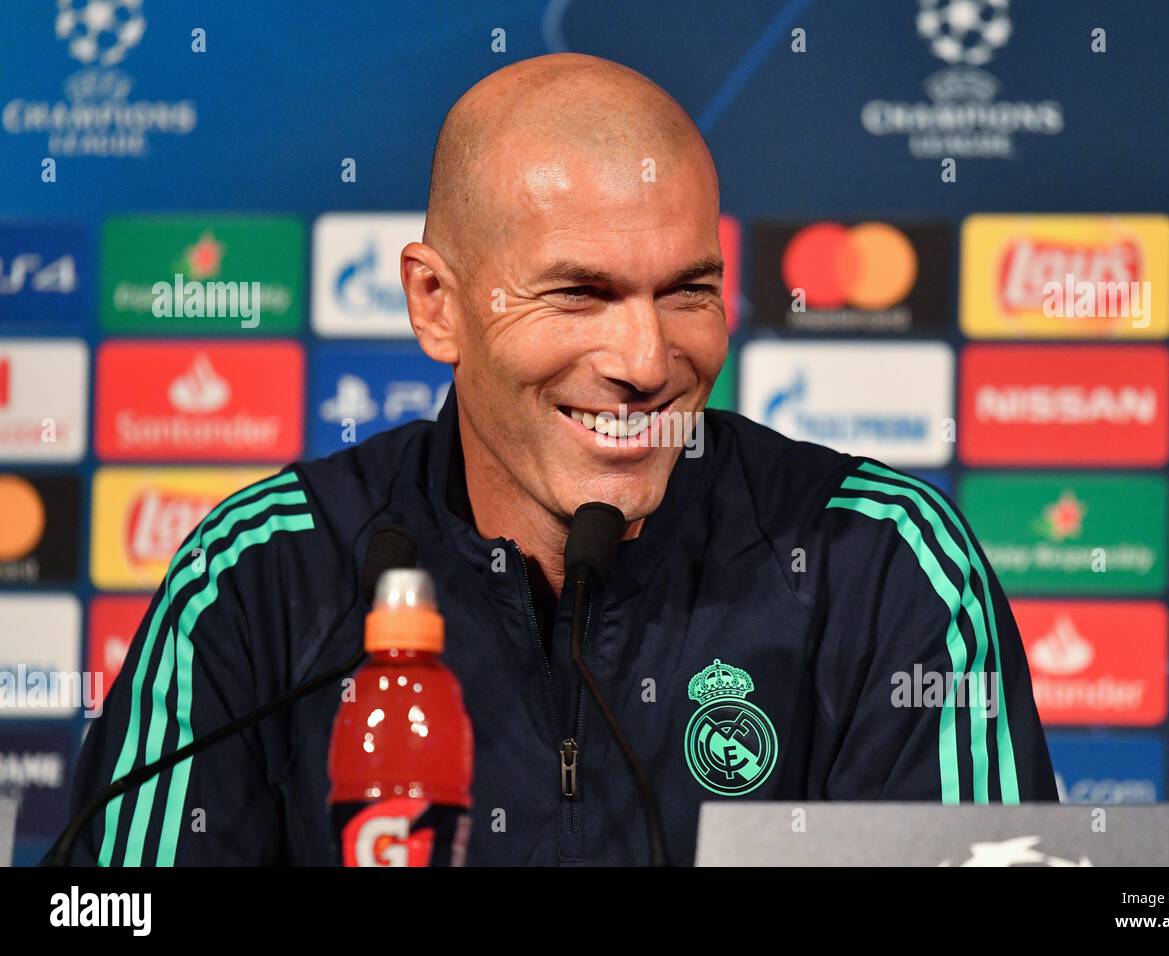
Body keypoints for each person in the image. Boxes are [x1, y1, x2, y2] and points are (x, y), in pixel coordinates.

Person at [67, 53, 1056, 867]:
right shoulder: (260, 575)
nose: (646, 362)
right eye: (579, 293)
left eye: (687, 290)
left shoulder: (877, 557)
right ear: (435, 303)